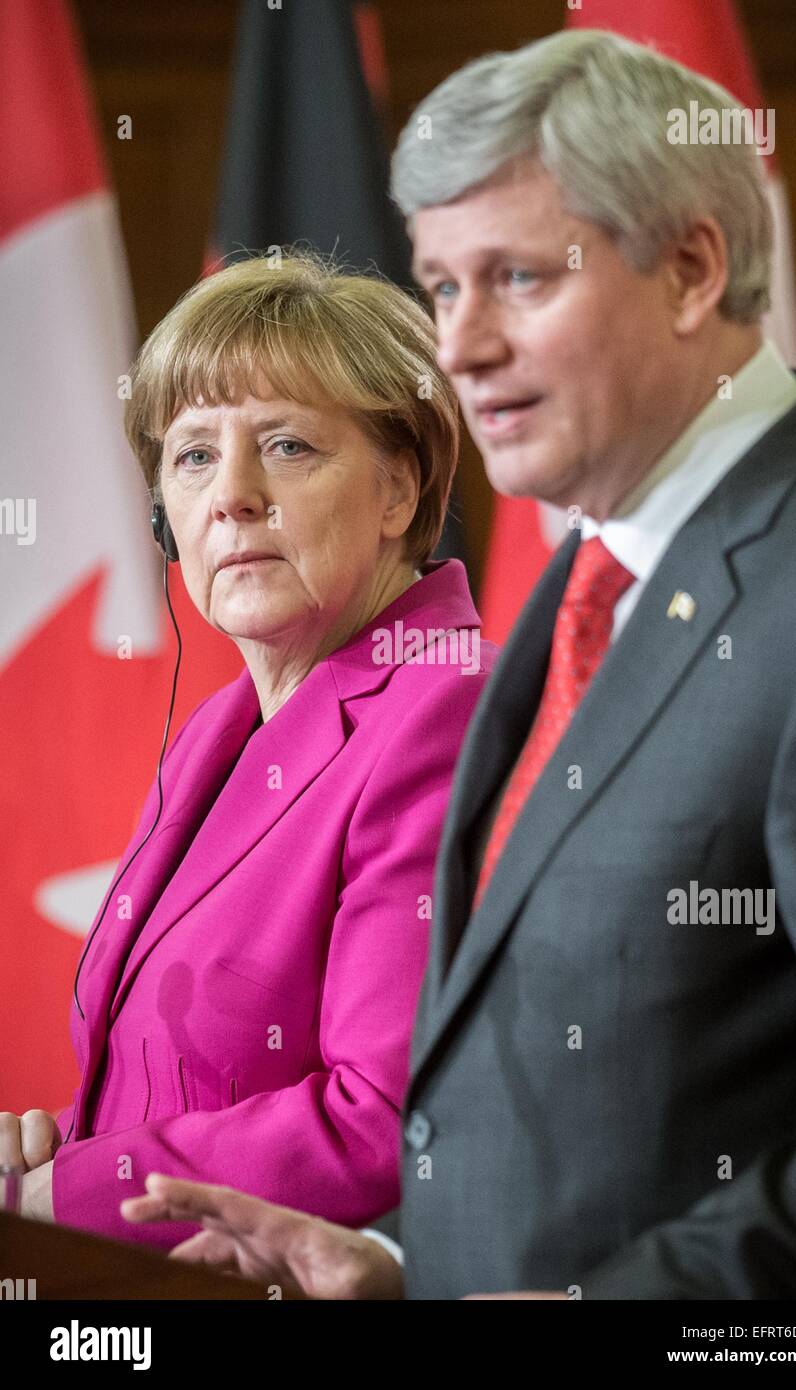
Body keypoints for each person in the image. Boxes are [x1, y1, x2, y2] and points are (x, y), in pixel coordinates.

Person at [124, 30, 796, 1297]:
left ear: (691, 270)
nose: (457, 350)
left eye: (516, 278)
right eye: (443, 289)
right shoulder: (586, 594)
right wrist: (409, 1262)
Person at [3, 252, 496, 1248]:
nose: (230, 494)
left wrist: (70, 1195)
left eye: (285, 446)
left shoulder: (445, 707)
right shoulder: (214, 737)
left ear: (400, 491)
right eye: (192, 456)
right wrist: (49, 1153)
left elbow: (381, 1119)